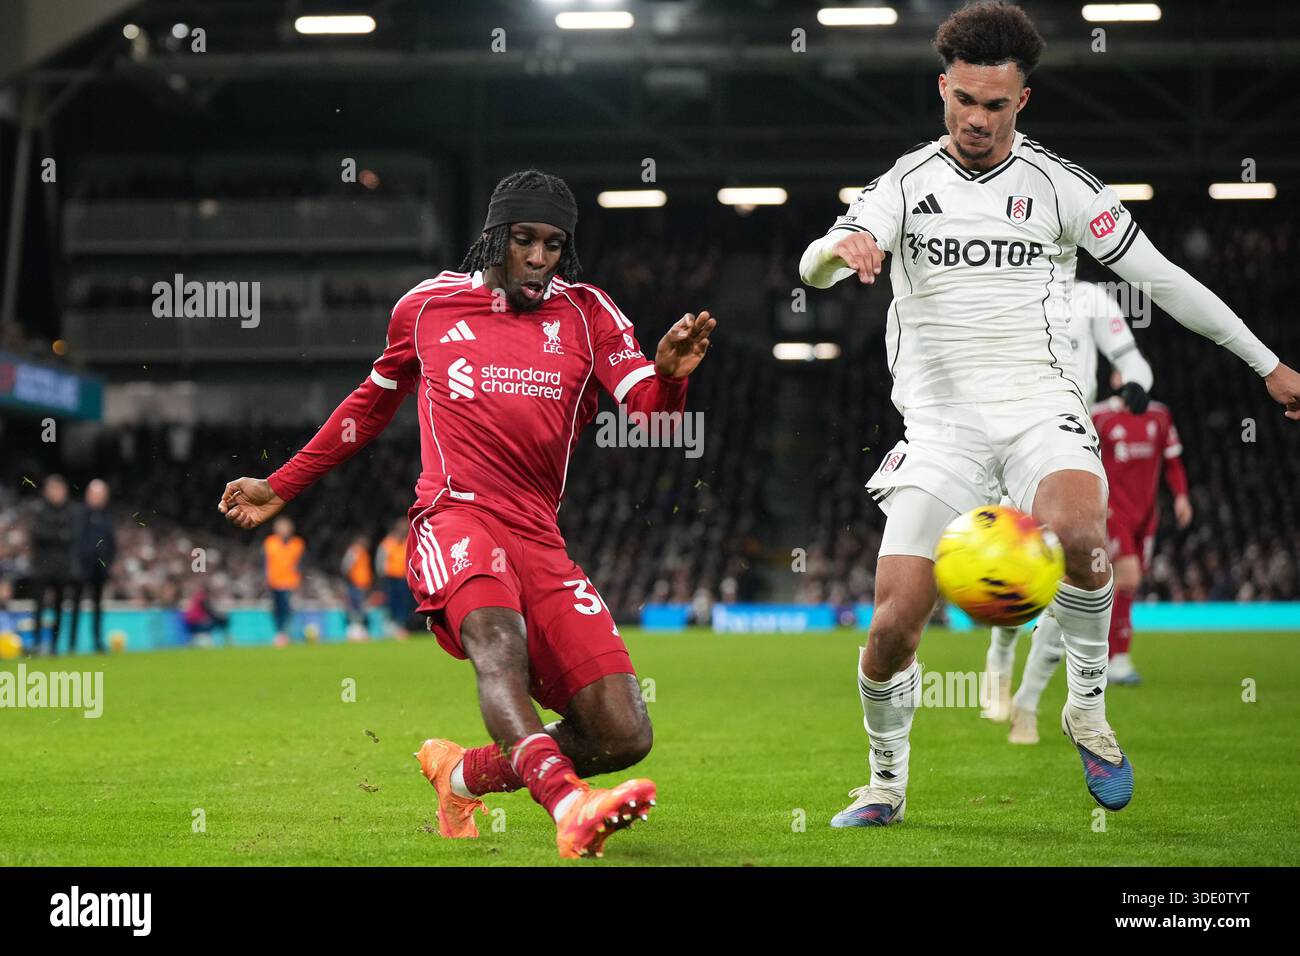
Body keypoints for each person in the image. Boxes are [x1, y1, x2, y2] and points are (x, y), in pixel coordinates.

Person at [798, 1, 1299, 826]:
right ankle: (885, 783)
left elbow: (1165, 279)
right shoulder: (903, 182)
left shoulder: (1063, 187)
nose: (978, 120)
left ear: (1022, 101)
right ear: (943, 89)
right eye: (964, 101)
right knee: (892, 624)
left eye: (997, 105)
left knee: (1082, 539)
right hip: (941, 431)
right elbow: (816, 267)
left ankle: (1086, 709)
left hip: (1040, 410)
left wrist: (1268, 363)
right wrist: (837, 250)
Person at [218, 169, 715, 858]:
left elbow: (648, 411)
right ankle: (568, 805)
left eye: (553, 244)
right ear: (493, 239)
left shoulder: (587, 312)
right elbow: (370, 405)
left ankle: (459, 773)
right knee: (498, 645)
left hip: (539, 537)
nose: (539, 258)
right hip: (455, 516)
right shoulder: (426, 307)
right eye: (523, 240)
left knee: (622, 731)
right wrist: (283, 484)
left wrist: (670, 376)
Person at [982, 281, 1153, 721]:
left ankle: (1030, 703)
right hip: (1013, 442)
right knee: (1014, 572)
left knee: (1070, 574)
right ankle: (1000, 653)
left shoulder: (1091, 298)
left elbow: (1130, 357)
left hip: (1074, 446)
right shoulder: (1001, 287)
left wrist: (1137, 382)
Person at [29, 475, 77, 655]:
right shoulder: (40, 510)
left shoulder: (70, 512)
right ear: (46, 492)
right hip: (42, 567)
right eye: (53, 489)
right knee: (39, 606)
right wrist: (59, 535)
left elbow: (72, 536)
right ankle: (36, 643)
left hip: (62, 568)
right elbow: (39, 535)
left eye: (59, 489)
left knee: (59, 607)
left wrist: (55, 536)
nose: (57, 494)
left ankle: (54, 645)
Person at [70, 479, 116, 654]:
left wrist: (109, 563)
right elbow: (75, 542)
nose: (98, 498)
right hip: (81, 568)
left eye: (102, 495)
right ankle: (71, 643)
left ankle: (97, 642)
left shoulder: (107, 516)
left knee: (98, 607)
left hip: (100, 569)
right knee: (75, 605)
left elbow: (111, 544)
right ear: (88, 495)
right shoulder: (79, 514)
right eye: (95, 494)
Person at [263, 516, 304, 644]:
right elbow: (265, 563)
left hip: (291, 583)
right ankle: (280, 633)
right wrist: (266, 578)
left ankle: (287, 633)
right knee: (277, 609)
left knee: (289, 609)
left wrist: (300, 580)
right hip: (274, 582)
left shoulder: (298, 544)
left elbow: (302, 564)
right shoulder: (270, 542)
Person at [375, 521, 413, 639]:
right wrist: (382, 577)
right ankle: (392, 627)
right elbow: (380, 561)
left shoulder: (406, 543)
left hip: (404, 578)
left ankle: (400, 627)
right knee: (392, 602)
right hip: (391, 578)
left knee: (404, 604)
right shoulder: (388, 543)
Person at [341, 534, 374, 640]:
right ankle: (355, 631)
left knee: (360, 607)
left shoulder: (363, 552)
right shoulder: (354, 551)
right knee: (356, 607)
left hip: (362, 585)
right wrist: (352, 580)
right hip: (355, 584)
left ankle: (359, 630)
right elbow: (346, 566)